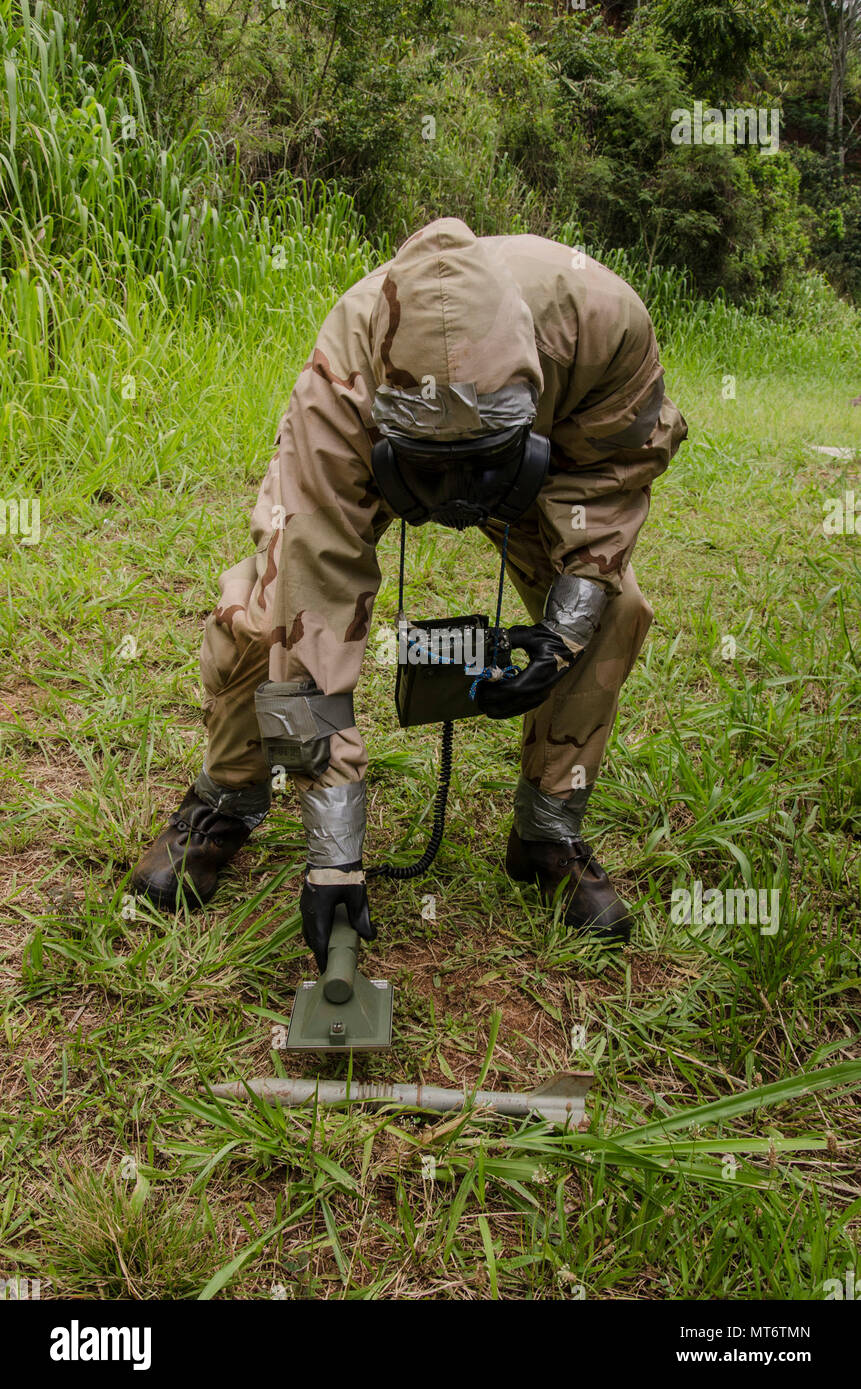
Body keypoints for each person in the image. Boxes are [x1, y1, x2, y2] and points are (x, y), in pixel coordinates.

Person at [131, 217, 687, 966]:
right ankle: (226, 799)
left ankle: (547, 830)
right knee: (264, 618)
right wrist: (332, 854)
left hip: (539, 471)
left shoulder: (602, 327)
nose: (455, 503)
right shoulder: (340, 384)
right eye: (435, 471)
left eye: (477, 464)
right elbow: (312, 605)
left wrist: (560, 638)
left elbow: (614, 475)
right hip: (397, 454)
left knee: (612, 612)